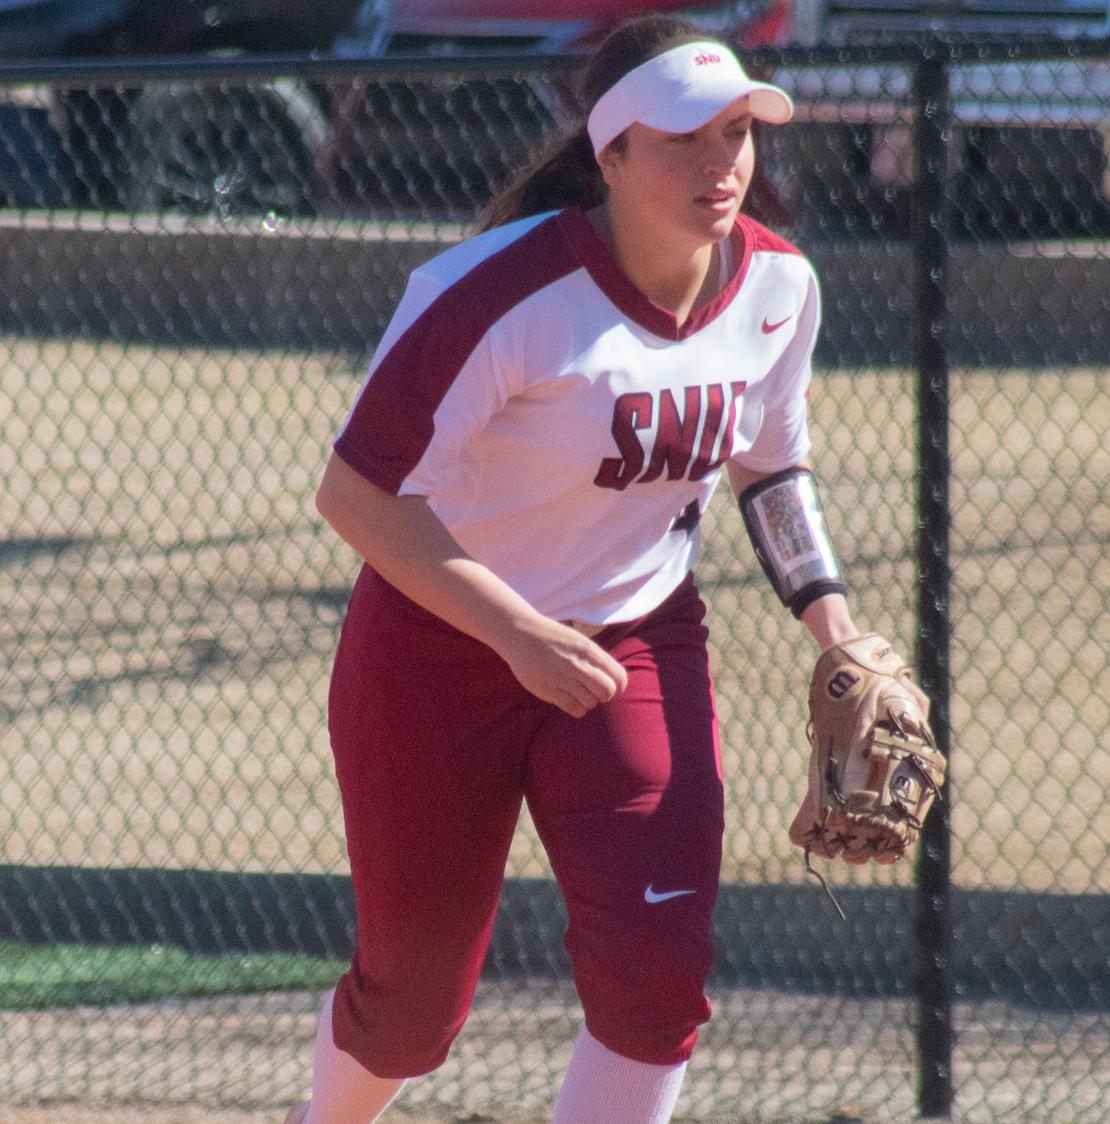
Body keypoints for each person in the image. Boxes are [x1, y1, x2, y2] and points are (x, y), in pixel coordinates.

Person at [289, 15, 865, 1124]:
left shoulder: (778, 287)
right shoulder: (494, 293)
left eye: (738, 131)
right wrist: (515, 632)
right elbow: (355, 495)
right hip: (436, 651)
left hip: (632, 646)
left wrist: (834, 628)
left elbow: (771, 465)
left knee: (656, 986)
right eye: (684, 137)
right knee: (411, 1010)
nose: (721, 163)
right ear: (611, 154)